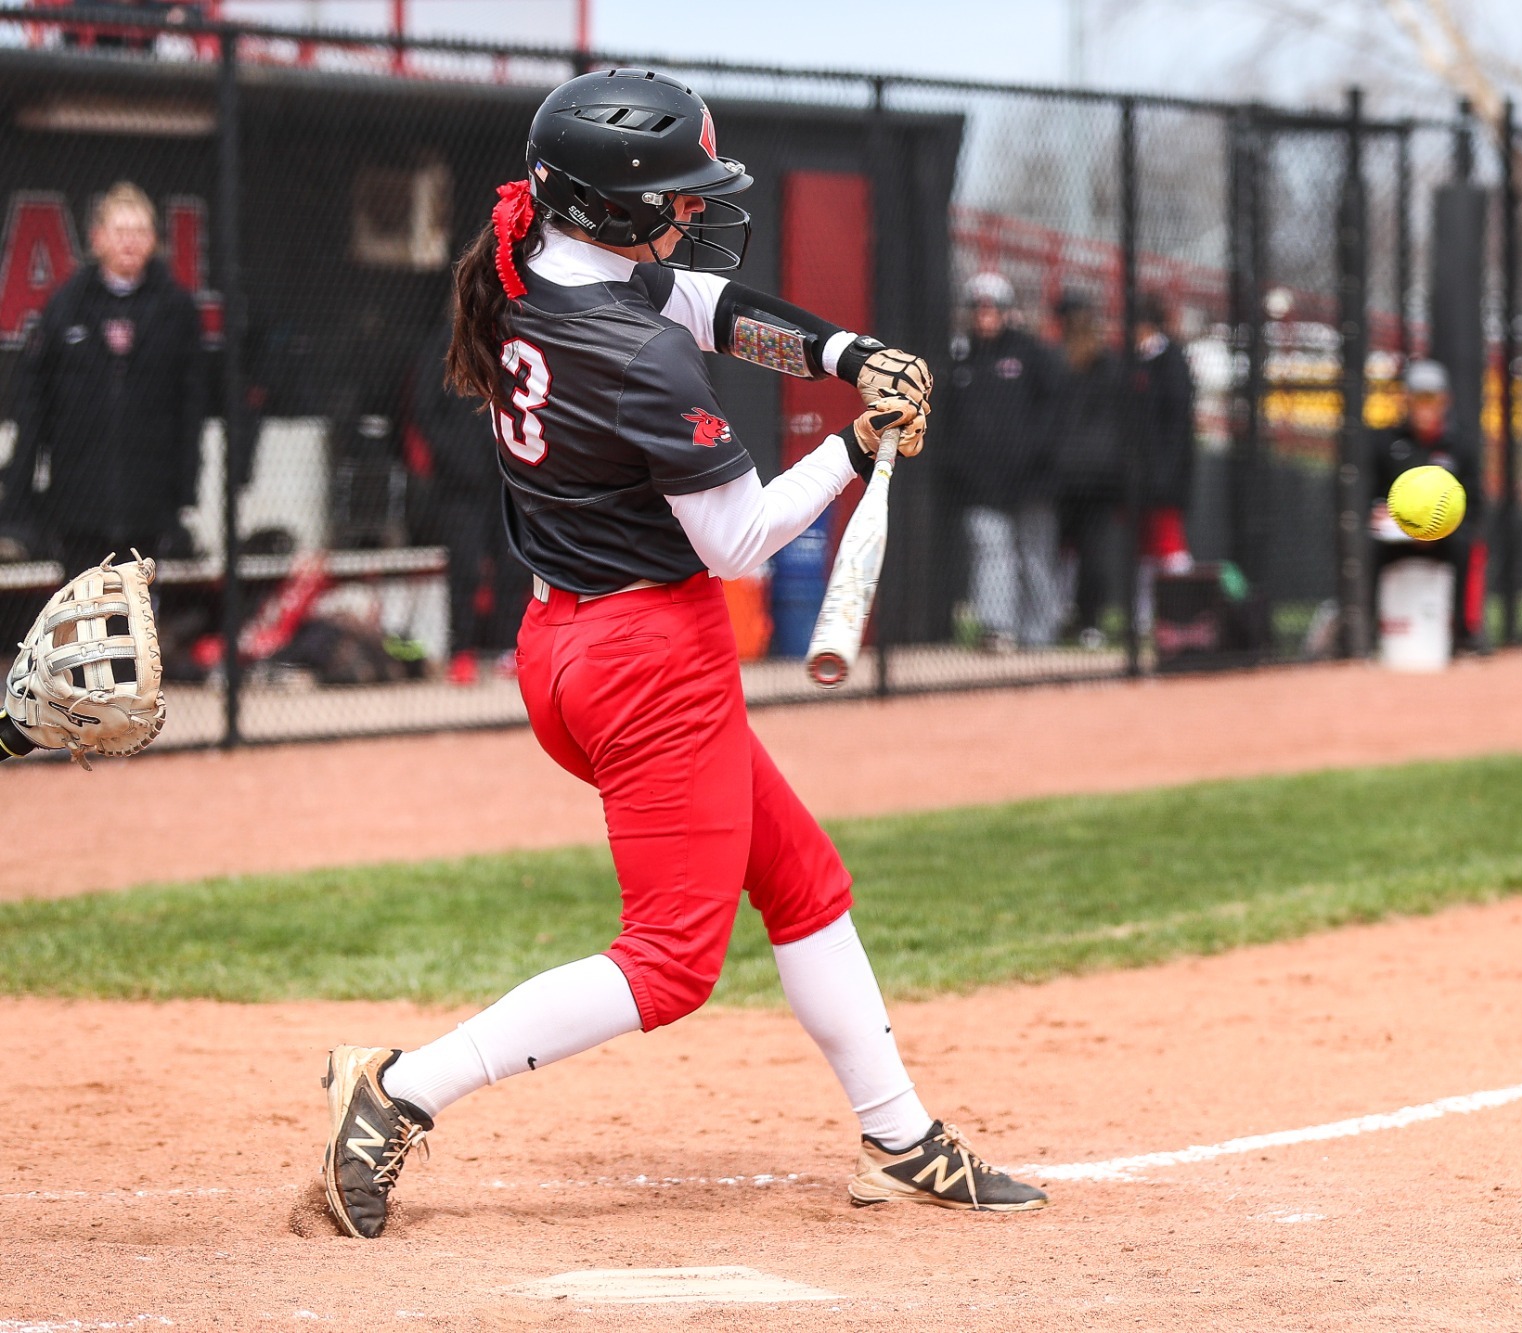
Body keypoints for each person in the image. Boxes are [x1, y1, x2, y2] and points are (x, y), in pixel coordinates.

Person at [319, 69, 1047, 1241]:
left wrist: (845, 353)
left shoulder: (529, 270)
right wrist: (856, 446)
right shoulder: (627, 351)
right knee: (669, 962)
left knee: (802, 879)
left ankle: (898, 1136)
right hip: (650, 658)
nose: (687, 214)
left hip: (568, 645)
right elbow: (743, 541)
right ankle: (399, 1091)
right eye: (670, 198)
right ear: (609, 208)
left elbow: (703, 303)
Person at [2, 182, 205, 572]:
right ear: (97, 239)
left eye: (139, 232)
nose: (129, 242)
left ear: (153, 241)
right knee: (83, 615)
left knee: (139, 618)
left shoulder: (176, 310)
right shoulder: (66, 304)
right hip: (78, 503)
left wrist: (186, 486)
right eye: (120, 232)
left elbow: (191, 404)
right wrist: (20, 489)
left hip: (149, 502)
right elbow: (33, 401)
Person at [939, 272, 1063, 651]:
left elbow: (1056, 409)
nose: (984, 314)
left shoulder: (1032, 353)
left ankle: (1040, 635)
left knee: (1035, 558)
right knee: (990, 554)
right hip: (981, 482)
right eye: (977, 307)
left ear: (1007, 311)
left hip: (1032, 480)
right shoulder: (962, 358)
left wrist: (1037, 452)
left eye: (991, 307)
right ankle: (998, 630)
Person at [407, 320, 529, 684]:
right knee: (465, 565)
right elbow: (423, 410)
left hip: (510, 475)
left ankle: (510, 648)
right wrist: (453, 460)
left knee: (515, 563)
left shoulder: (518, 337)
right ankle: (462, 652)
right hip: (461, 483)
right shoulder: (446, 340)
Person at [1368, 358, 1485, 651]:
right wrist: (1381, 516)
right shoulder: (1386, 443)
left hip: (1445, 534)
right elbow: (1369, 495)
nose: (1424, 405)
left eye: (1430, 397)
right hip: (1395, 534)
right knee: (1362, 548)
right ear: (1406, 399)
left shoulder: (1461, 445)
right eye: (1417, 396)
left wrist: (1439, 530)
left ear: (1444, 400)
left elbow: (1475, 504)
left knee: (1470, 546)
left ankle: (1465, 633)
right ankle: (1364, 632)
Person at [1052, 289, 1123, 645]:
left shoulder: (1059, 362)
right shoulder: (1108, 363)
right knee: (1092, 549)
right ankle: (1088, 621)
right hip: (1101, 473)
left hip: (1070, 471)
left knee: (1066, 547)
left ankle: (1067, 615)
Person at [1127, 294, 1196, 630]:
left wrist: (1163, 473)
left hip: (1165, 472)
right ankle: (1142, 620)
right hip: (1138, 473)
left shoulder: (1171, 361)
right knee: (1144, 548)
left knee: (1169, 545)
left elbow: (1176, 425)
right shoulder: (1135, 361)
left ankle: (1184, 615)